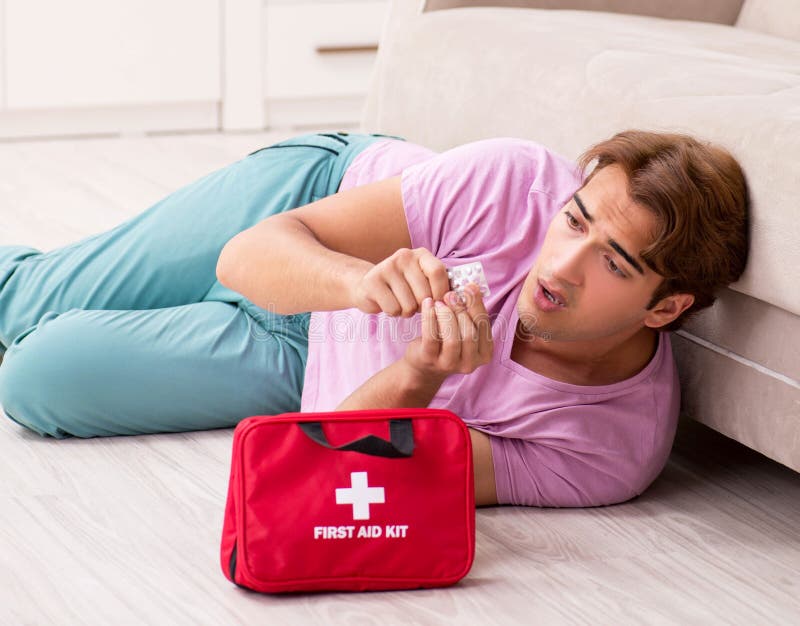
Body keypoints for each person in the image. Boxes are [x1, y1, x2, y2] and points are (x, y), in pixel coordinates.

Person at [0, 130, 749, 509]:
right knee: (26, 300)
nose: (559, 266)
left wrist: (418, 370)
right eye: (573, 221)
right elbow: (248, 255)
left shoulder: (608, 450)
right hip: (303, 216)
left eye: (613, 262)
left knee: (36, 380)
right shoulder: (512, 182)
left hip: (299, 370)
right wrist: (360, 281)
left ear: (667, 305)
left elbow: (339, 466)